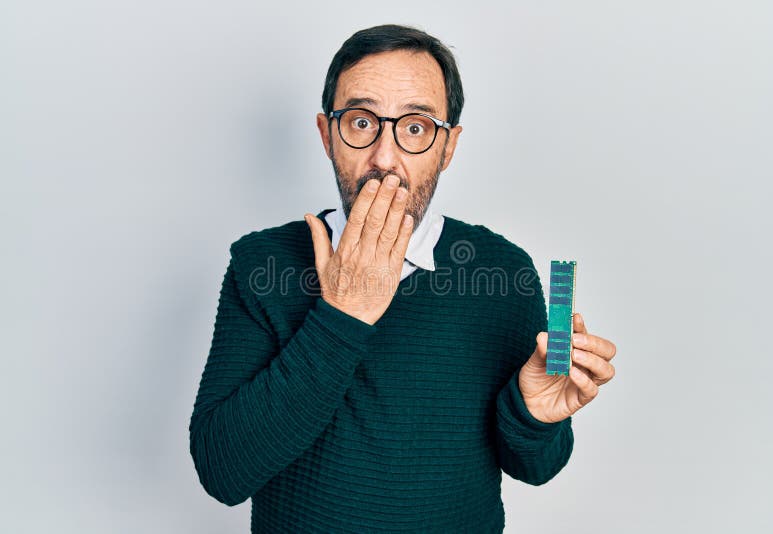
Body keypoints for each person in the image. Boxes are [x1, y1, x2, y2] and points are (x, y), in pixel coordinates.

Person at [189, 24, 617, 533]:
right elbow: (222, 474)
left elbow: (536, 467)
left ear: (448, 146)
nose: (385, 159)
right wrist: (342, 315)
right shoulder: (262, 264)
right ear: (327, 135)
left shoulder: (505, 273)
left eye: (415, 127)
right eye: (362, 122)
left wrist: (533, 414)